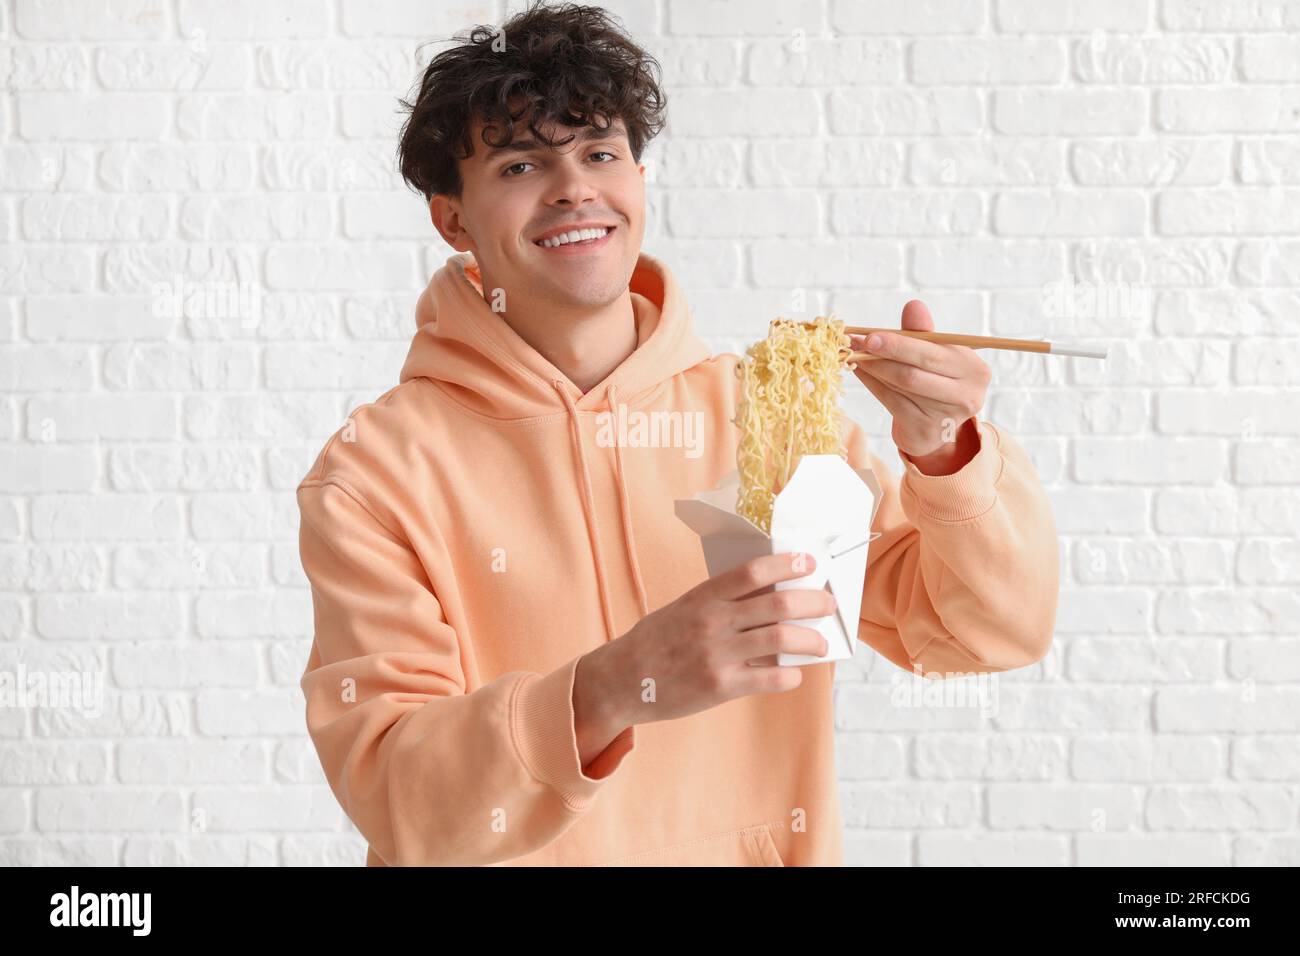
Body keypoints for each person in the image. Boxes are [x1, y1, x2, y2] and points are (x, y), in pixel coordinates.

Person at [296, 0, 1059, 866]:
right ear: (454, 220)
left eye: (599, 153)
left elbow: (977, 636)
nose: (574, 186)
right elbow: (402, 800)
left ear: (637, 179)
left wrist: (945, 451)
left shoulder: (772, 417)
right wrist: (612, 686)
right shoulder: (375, 473)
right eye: (519, 166)